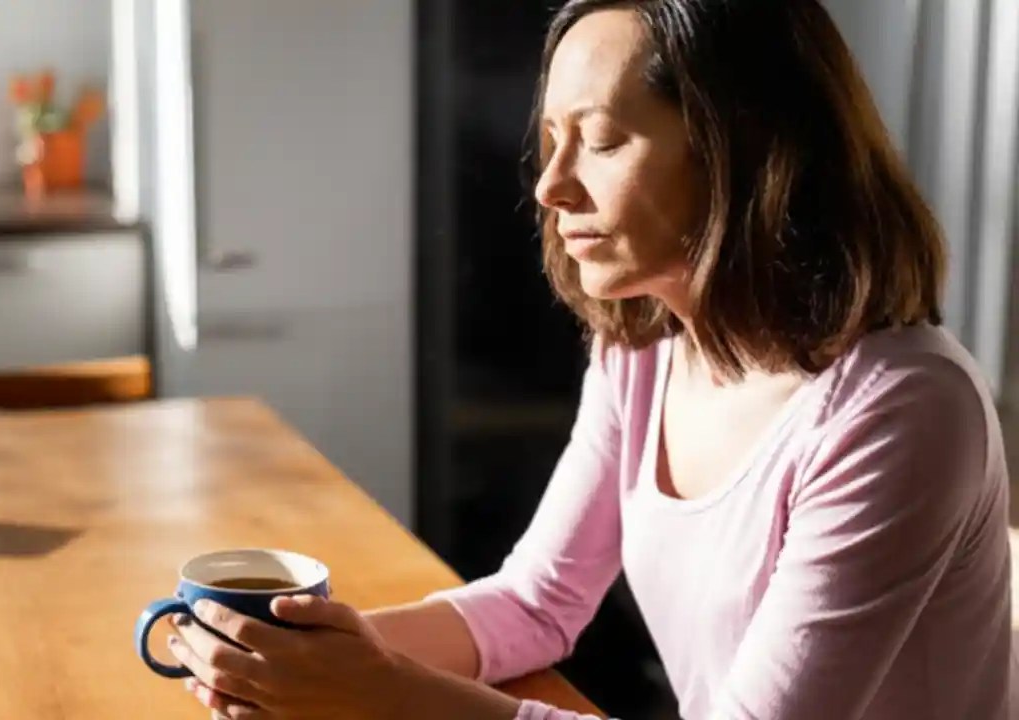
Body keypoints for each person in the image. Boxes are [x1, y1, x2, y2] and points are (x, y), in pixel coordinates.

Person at [164, 1, 1013, 718]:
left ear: (746, 151)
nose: (551, 185)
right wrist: (301, 655)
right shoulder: (642, 352)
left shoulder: (900, 409)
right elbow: (538, 602)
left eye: (601, 141)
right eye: (551, 139)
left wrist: (385, 694)